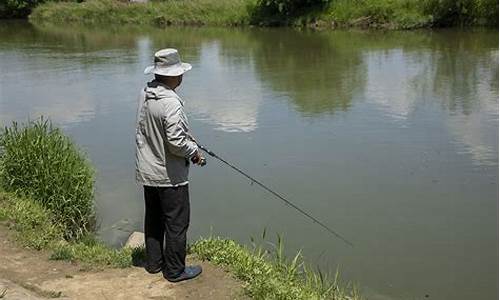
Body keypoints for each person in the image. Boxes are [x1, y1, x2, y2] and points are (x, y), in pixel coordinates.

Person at [135, 48, 205, 282]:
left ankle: (154, 263)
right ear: (175, 75)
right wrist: (194, 152)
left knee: (154, 218)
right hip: (170, 176)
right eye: (181, 73)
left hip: (148, 170)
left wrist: (188, 142)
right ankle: (175, 271)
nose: (183, 76)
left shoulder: (146, 93)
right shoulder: (171, 103)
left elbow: (151, 131)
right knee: (177, 223)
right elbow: (175, 142)